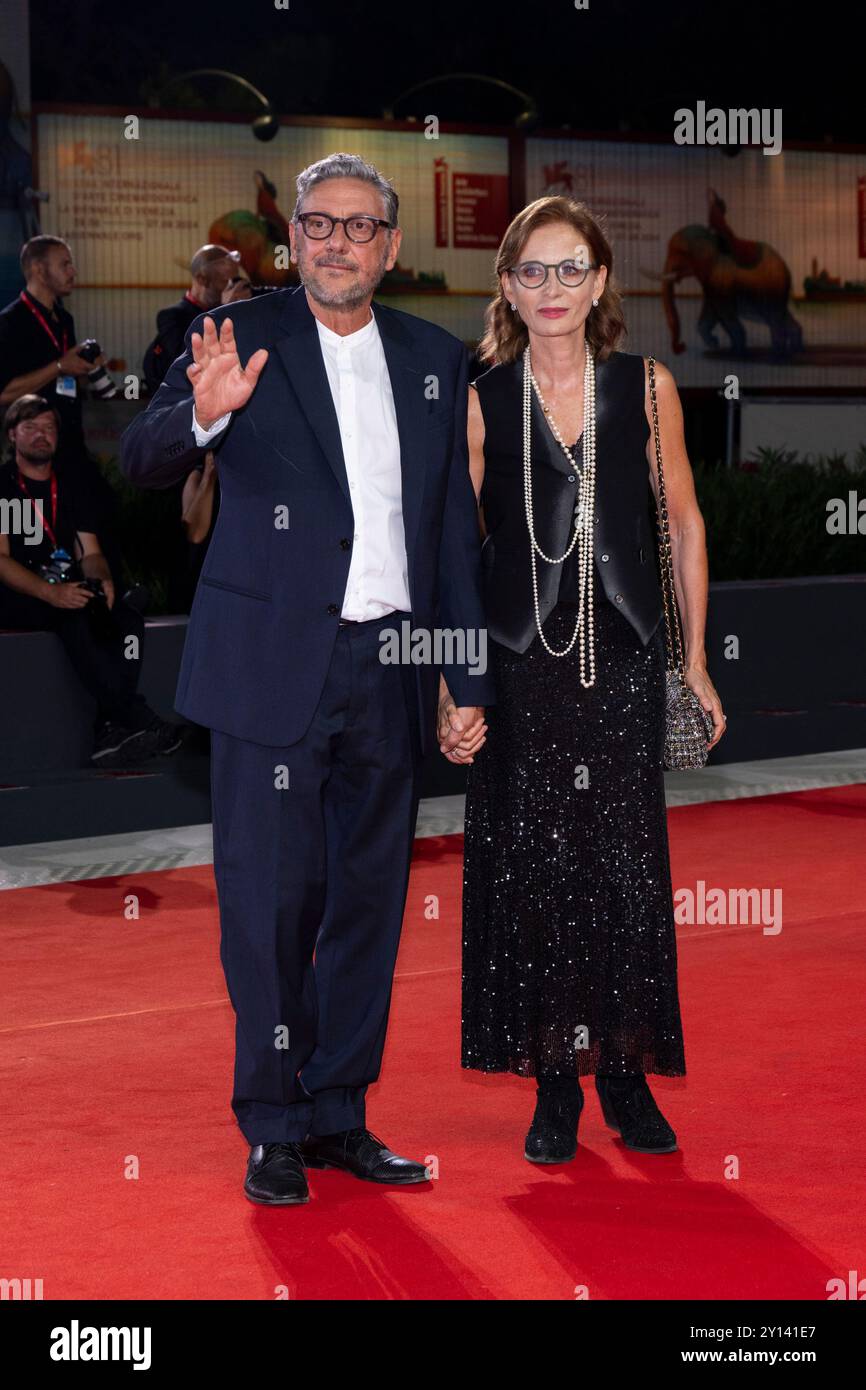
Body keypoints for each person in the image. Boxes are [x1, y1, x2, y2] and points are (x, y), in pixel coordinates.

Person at [120, 152, 494, 1206]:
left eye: (360, 226)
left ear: (390, 246)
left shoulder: (433, 357)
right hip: (269, 671)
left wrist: (464, 674)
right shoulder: (241, 335)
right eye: (319, 224)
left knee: (368, 905)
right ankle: (272, 1121)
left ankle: (338, 1113)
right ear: (293, 238)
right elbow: (140, 459)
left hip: (389, 670)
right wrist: (199, 415)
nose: (338, 242)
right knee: (269, 907)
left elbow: (451, 541)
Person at [446, 195, 726, 1162]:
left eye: (572, 269)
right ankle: (553, 1087)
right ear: (510, 290)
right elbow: (457, 562)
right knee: (536, 879)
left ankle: (626, 1075)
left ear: (601, 281)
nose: (554, 287)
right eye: (534, 270)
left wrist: (691, 657)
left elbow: (682, 522)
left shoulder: (645, 387)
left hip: (626, 667)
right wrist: (459, 682)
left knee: (623, 875)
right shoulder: (480, 401)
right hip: (527, 681)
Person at [0, 394, 183, 765]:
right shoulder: (3, 486)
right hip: (17, 591)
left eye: (49, 428)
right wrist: (51, 593)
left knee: (127, 618)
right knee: (74, 614)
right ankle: (137, 717)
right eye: (30, 427)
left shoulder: (71, 486)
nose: (41, 435)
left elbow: (91, 552)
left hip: (63, 586)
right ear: (12, 436)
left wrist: (103, 582)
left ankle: (107, 726)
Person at [142, 244, 242, 394]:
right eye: (227, 283)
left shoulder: (234, 312)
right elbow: (187, 362)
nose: (233, 289)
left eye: (236, 281)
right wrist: (225, 309)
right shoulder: (172, 317)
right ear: (202, 280)